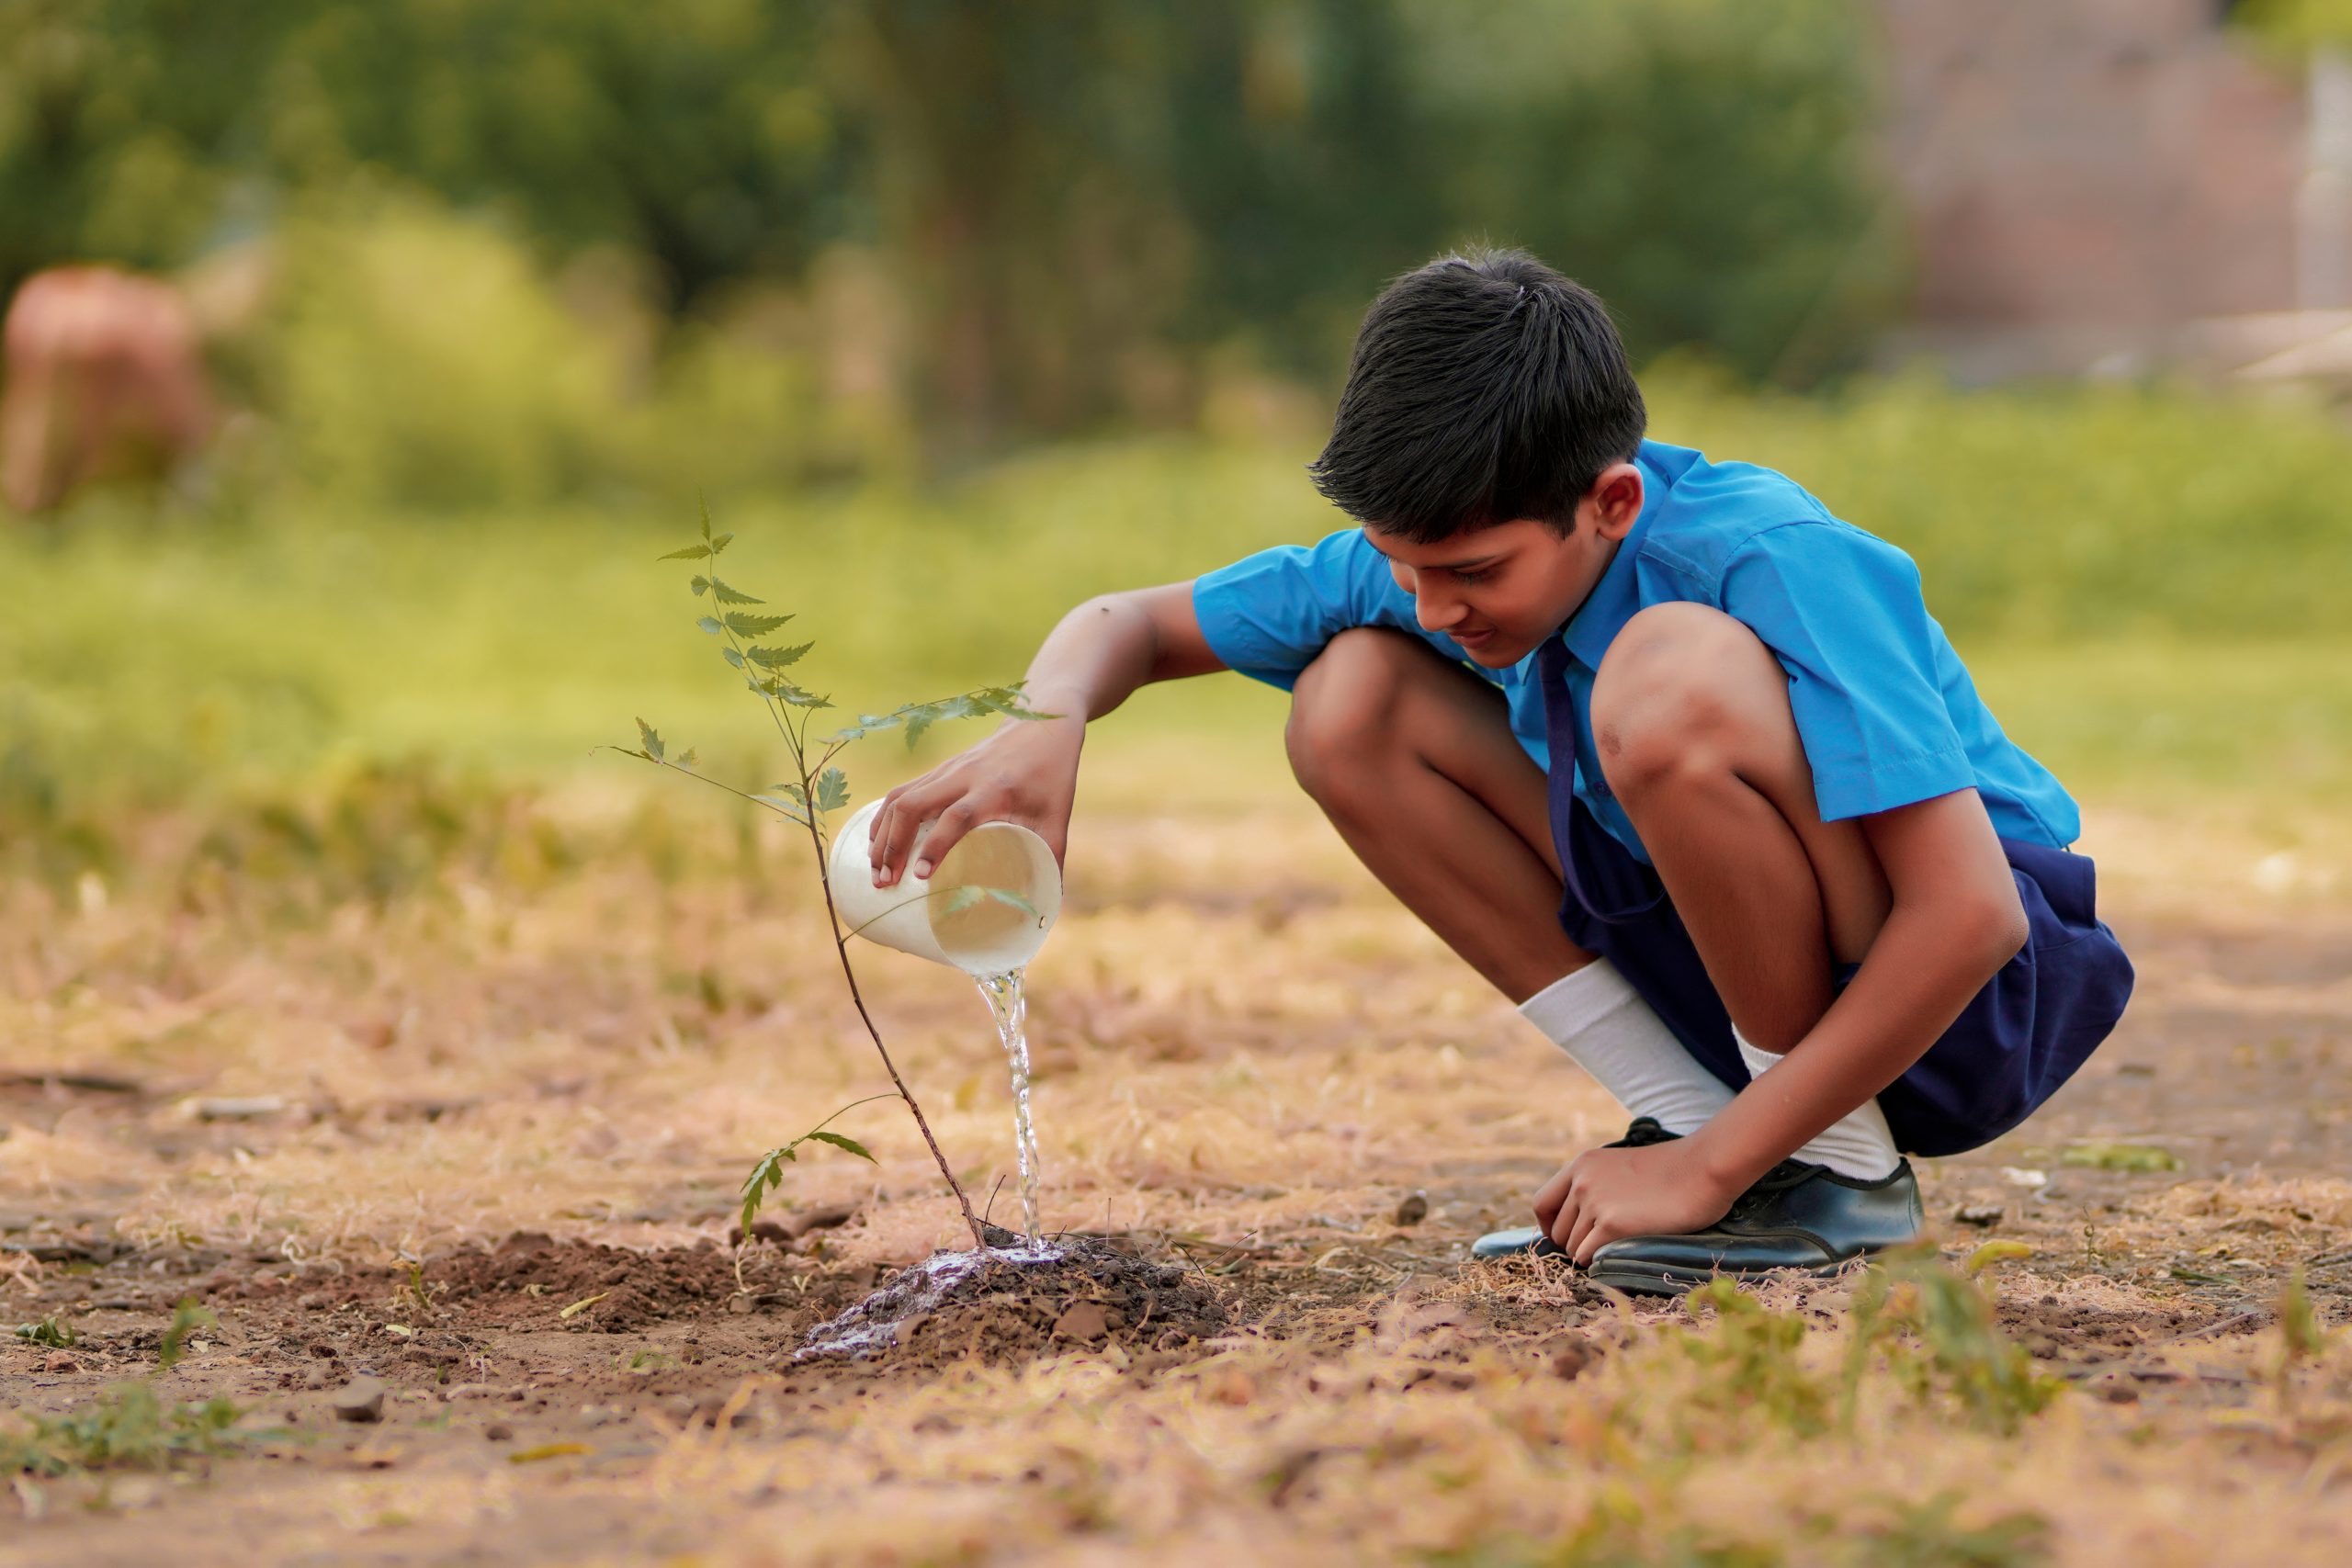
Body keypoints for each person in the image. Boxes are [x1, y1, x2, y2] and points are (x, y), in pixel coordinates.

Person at [862, 248, 2134, 1296]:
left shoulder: (1767, 554)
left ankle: (1828, 1178)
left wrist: (1704, 1175)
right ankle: (1708, 1128)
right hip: (1740, 980)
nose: (1437, 607)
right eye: (1405, 567)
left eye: (1473, 574)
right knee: (1347, 699)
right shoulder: (1428, 575)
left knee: (1665, 674)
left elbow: (1965, 917)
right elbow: (1122, 625)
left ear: (1612, 503)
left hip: (1967, 997)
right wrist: (1047, 725)